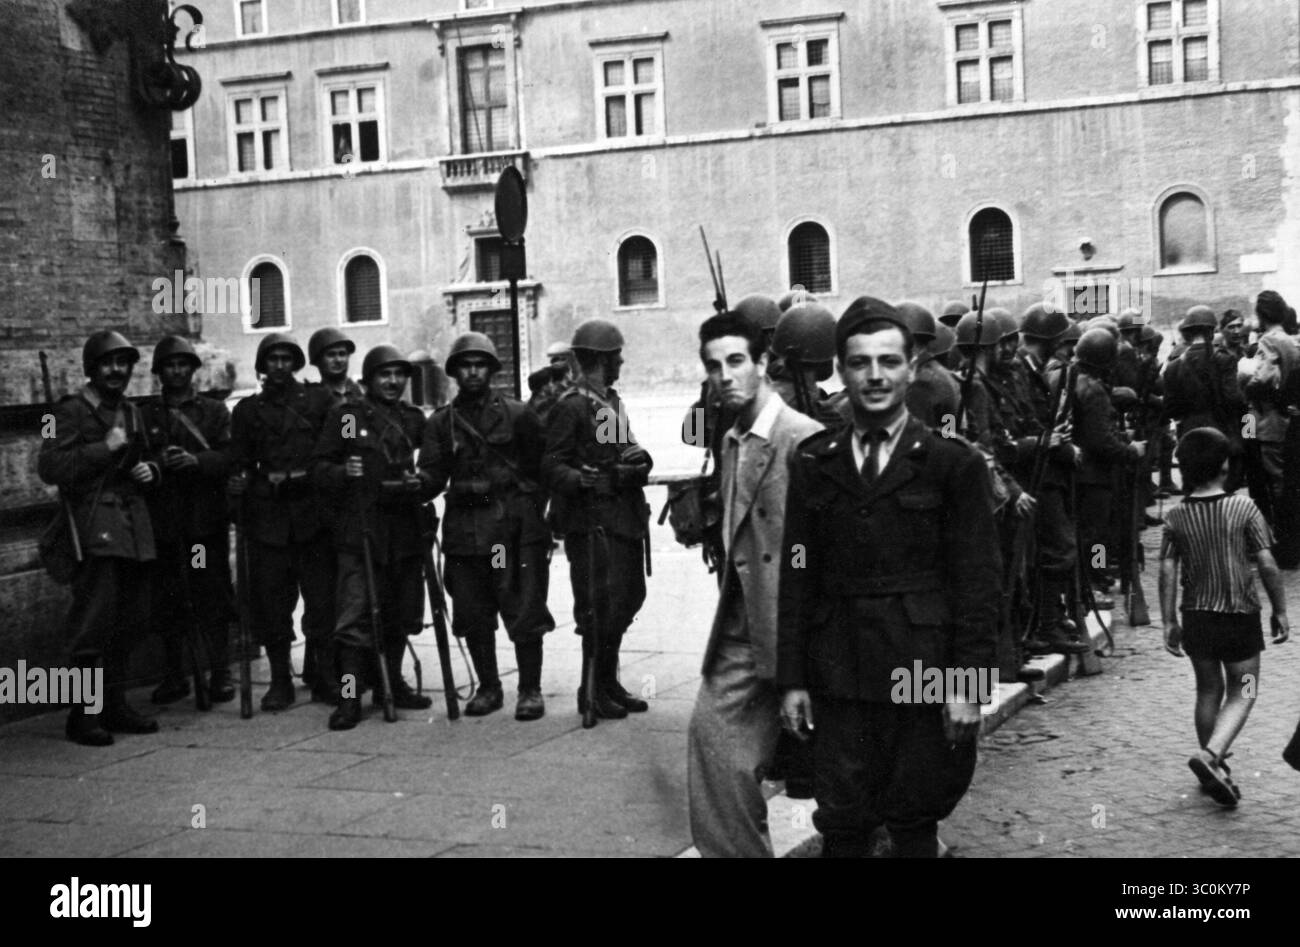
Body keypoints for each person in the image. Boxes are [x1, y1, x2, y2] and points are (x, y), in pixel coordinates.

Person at [777, 299, 1002, 858]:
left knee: (913, 818)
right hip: (840, 670)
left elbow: (978, 583)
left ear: (910, 367)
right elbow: (796, 572)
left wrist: (968, 687)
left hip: (921, 670)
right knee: (844, 822)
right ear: (842, 371)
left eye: (888, 362)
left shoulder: (953, 465)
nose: (874, 376)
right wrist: (793, 677)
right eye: (859, 363)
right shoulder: (814, 461)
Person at [687, 311, 822, 857]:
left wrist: (801, 665)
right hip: (742, 633)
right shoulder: (730, 441)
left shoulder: (803, 439)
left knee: (846, 781)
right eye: (714, 366)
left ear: (764, 364)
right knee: (713, 751)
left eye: (736, 361)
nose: (725, 375)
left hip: (800, 635)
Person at [421, 333, 554, 721]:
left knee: (522, 607)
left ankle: (529, 689)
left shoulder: (518, 414)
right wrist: (414, 485)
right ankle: (489, 687)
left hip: (508, 534)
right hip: (464, 533)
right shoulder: (441, 423)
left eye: (480, 364)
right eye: (466, 365)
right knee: (474, 611)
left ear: (492, 371)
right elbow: (431, 474)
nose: (473, 371)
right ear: (455, 372)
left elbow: (541, 468)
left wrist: (530, 516)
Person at [39, 330, 162, 745]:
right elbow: (50, 466)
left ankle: (115, 705)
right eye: (108, 363)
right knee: (93, 622)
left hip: (133, 528)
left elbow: (138, 458)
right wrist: (104, 449)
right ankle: (84, 714)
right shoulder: (67, 411)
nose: (117, 370)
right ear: (92, 368)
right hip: (93, 527)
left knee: (132, 619)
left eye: (123, 363)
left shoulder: (131, 410)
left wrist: (145, 470)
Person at [1159, 427, 1289, 807]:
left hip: (1196, 616)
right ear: (1224, 467)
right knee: (1245, 689)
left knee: (1208, 690)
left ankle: (1214, 762)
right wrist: (1280, 609)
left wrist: (1168, 620)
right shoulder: (1244, 508)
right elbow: (1266, 562)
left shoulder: (1176, 516)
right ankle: (1212, 756)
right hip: (1239, 615)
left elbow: (1167, 570)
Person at [315, 345, 435, 729]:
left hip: (403, 530)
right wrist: (342, 470)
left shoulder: (412, 419)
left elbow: (432, 466)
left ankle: (392, 684)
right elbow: (322, 465)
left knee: (399, 613)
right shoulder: (350, 417)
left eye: (399, 375)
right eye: (384, 374)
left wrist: (423, 482)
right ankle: (350, 697)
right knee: (354, 619)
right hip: (363, 529)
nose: (393, 381)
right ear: (368, 381)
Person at [543, 319, 653, 723]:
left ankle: (608, 682)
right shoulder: (572, 406)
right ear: (602, 359)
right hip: (590, 523)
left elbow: (626, 448)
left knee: (626, 601)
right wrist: (578, 478)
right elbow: (551, 464)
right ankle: (591, 689)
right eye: (617, 356)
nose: (621, 361)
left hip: (622, 518)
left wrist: (638, 461)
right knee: (597, 608)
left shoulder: (608, 402)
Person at [227, 333, 336, 710]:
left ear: (296, 363)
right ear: (262, 365)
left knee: (321, 601)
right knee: (272, 603)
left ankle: (323, 674)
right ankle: (279, 679)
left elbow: (339, 441)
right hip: (269, 519)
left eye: (286, 359)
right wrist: (242, 483)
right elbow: (237, 460)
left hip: (312, 516)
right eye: (272, 359)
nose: (279, 366)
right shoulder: (247, 412)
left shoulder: (319, 400)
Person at [140, 336, 236, 706]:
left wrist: (196, 462)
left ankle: (220, 671)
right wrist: (160, 464)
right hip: (165, 525)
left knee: (209, 592)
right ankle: (175, 673)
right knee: (168, 598)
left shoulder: (213, 412)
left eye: (183, 365)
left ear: (193, 370)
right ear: (159, 372)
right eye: (169, 366)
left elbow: (230, 456)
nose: (177, 371)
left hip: (200, 528)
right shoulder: (146, 415)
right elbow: (137, 458)